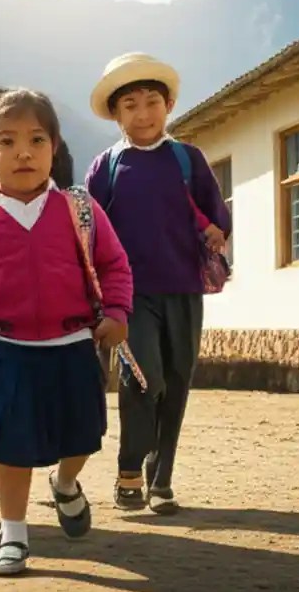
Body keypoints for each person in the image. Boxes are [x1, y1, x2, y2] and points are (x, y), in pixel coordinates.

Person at [0, 86, 133, 576]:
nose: (23, 151)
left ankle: (65, 484)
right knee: (13, 444)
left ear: (54, 149)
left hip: (72, 345)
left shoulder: (78, 210)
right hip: (4, 348)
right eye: (6, 141)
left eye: (37, 139)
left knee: (82, 436)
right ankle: (14, 536)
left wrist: (117, 313)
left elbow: (114, 264)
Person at [85, 52, 231, 515]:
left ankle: (161, 479)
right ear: (116, 114)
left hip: (184, 288)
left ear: (167, 105)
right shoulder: (106, 168)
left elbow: (218, 213)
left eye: (151, 102)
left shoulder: (188, 159)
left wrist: (215, 230)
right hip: (129, 296)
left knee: (176, 380)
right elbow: (87, 231)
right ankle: (130, 470)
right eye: (130, 105)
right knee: (142, 376)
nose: (142, 114)